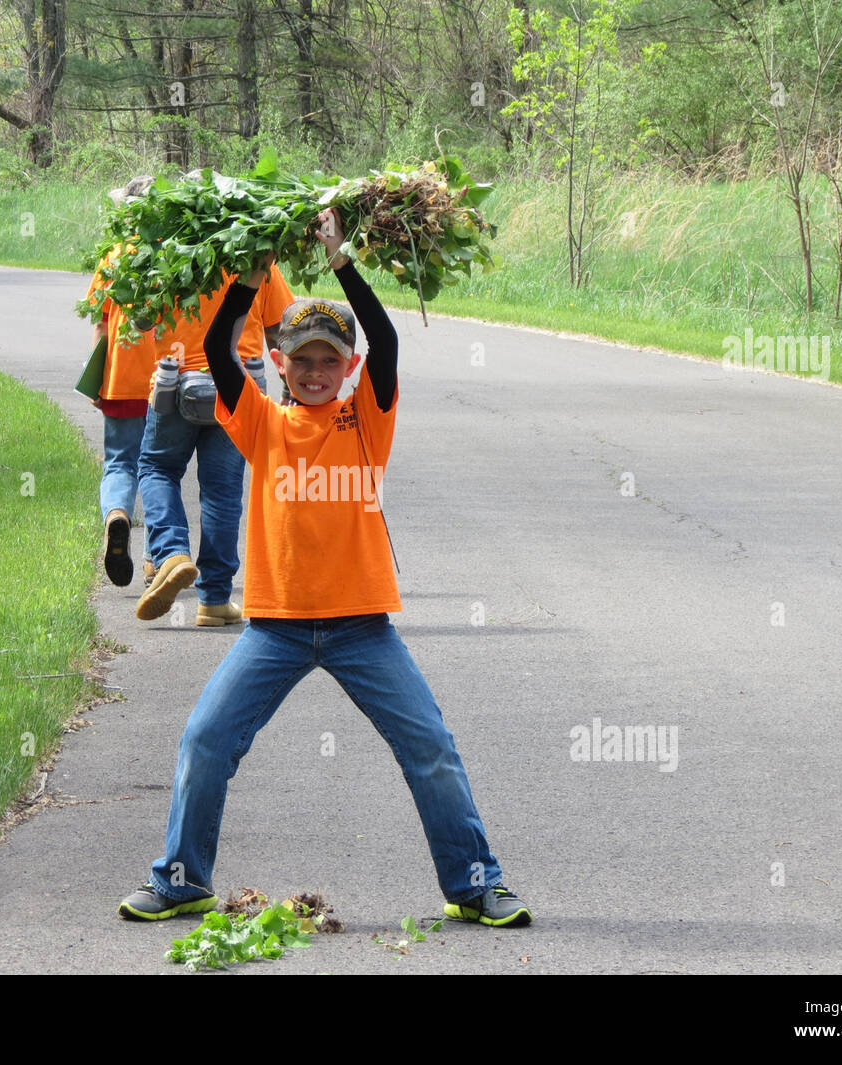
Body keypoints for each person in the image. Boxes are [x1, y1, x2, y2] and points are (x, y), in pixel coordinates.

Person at [117, 209, 531, 927]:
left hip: (361, 628)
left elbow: (389, 338)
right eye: (301, 358)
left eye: (328, 360)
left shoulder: (367, 416)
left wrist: (341, 262)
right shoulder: (260, 422)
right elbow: (218, 346)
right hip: (273, 630)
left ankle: (475, 883)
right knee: (205, 740)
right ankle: (183, 878)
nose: (314, 371)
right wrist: (248, 281)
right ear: (278, 362)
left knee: (430, 747)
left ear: (348, 367)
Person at [135, 258, 293, 627]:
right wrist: (289, 388)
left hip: (174, 382)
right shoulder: (259, 255)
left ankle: (172, 553)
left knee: (157, 468)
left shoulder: (167, 250)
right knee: (222, 491)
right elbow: (281, 329)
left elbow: (140, 320)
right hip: (239, 385)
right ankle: (215, 599)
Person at [85, 175, 158, 588]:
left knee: (120, 461)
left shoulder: (113, 255)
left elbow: (100, 321)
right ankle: (155, 559)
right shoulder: (175, 256)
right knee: (159, 470)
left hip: (120, 380)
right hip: (166, 381)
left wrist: (96, 380)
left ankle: (116, 513)